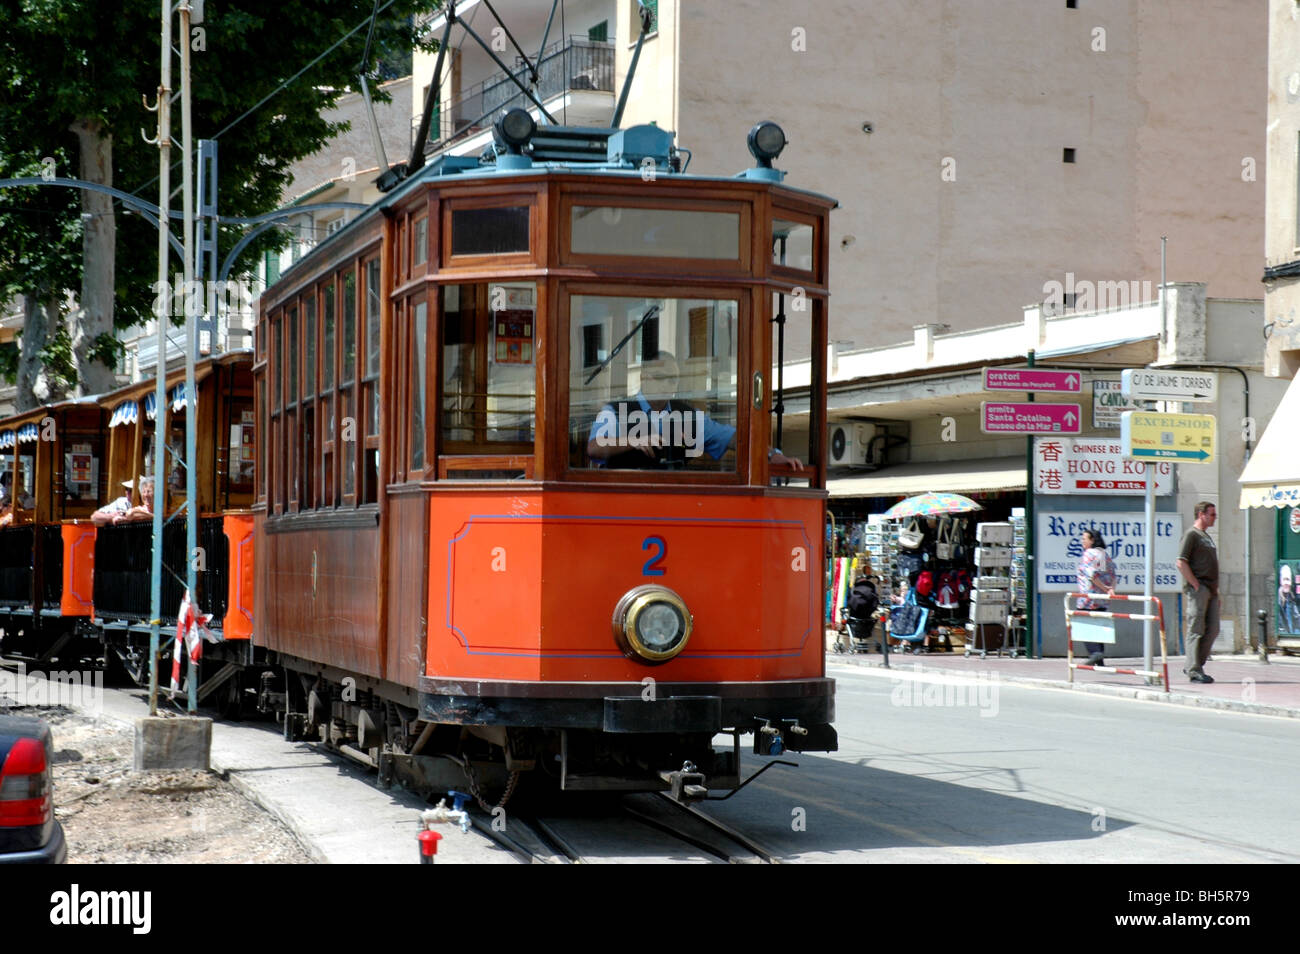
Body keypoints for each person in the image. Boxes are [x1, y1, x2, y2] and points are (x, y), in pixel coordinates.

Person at [587, 351, 804, 471]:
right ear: (644, 377)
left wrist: (771, 455)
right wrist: (634, 440)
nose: (668, 385)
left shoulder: (688, 417)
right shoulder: (615, 410)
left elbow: (732, 438)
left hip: (675, 506)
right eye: (662, 378)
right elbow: (594, 448)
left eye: (674, 380)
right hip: (622, 505)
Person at [1176, 501, 1219, 684]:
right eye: (1212, 514)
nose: (1214, 518)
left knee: (1213, 628)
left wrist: (1216, 591)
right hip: (1199, 589)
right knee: (1196, 628)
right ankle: (1194, 669)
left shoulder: (1206, 536)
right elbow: (1181, 562)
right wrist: (1195, 584)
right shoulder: (1191, 535)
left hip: (1211, 589)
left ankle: (1194, 664)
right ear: (1201, 514)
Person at [1075, 528, 1118, 666]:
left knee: (1083, 624)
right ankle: (1100, 661)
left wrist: (1103, 588)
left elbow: (1091, 575)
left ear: (1092, 540)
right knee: (1098, 627)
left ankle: (1094, 653)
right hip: (1102, 599)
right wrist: (1110, 589)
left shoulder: (1088, 554)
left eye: (1084, 539)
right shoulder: (1104, 554)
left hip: (1089, 597)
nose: (1082, 541)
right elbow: (1113, 575)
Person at [1279, 564, 1297, 635]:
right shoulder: (1278, 601)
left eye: (1288, 580)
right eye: (1284, 579)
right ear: (1280, 581)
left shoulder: (1291, 597)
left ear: (1291, 582)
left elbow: (1296, 617)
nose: (1286, 583)